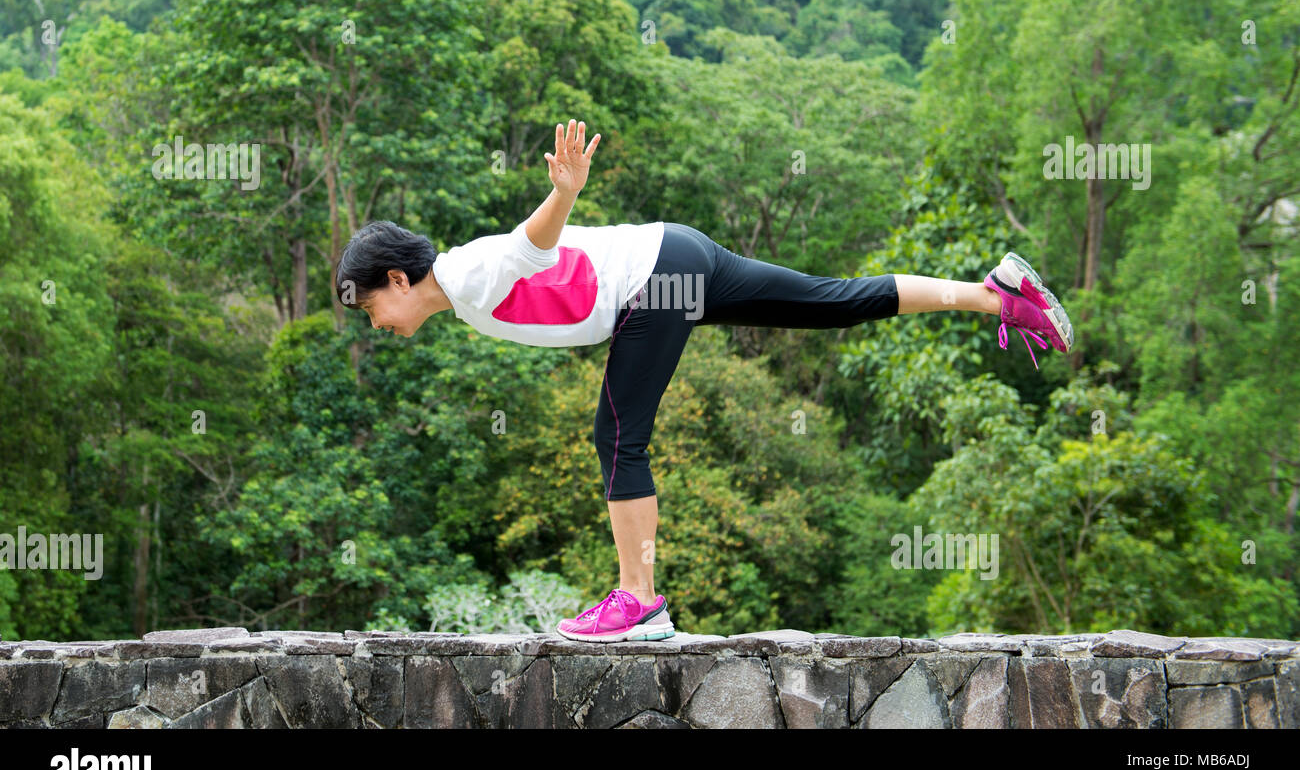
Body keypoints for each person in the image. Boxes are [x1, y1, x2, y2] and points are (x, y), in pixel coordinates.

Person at [334, 119, 1074, 643]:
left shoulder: (461, 275)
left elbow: (533, 246)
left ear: (398, 278)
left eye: (372, 306)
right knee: (827, 301)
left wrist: (563, 192)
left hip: (654, 281)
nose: (377, 323)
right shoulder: (462, 292)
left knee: (618, 434)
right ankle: (996, 294)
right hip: (676, 256)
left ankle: (639, 600)